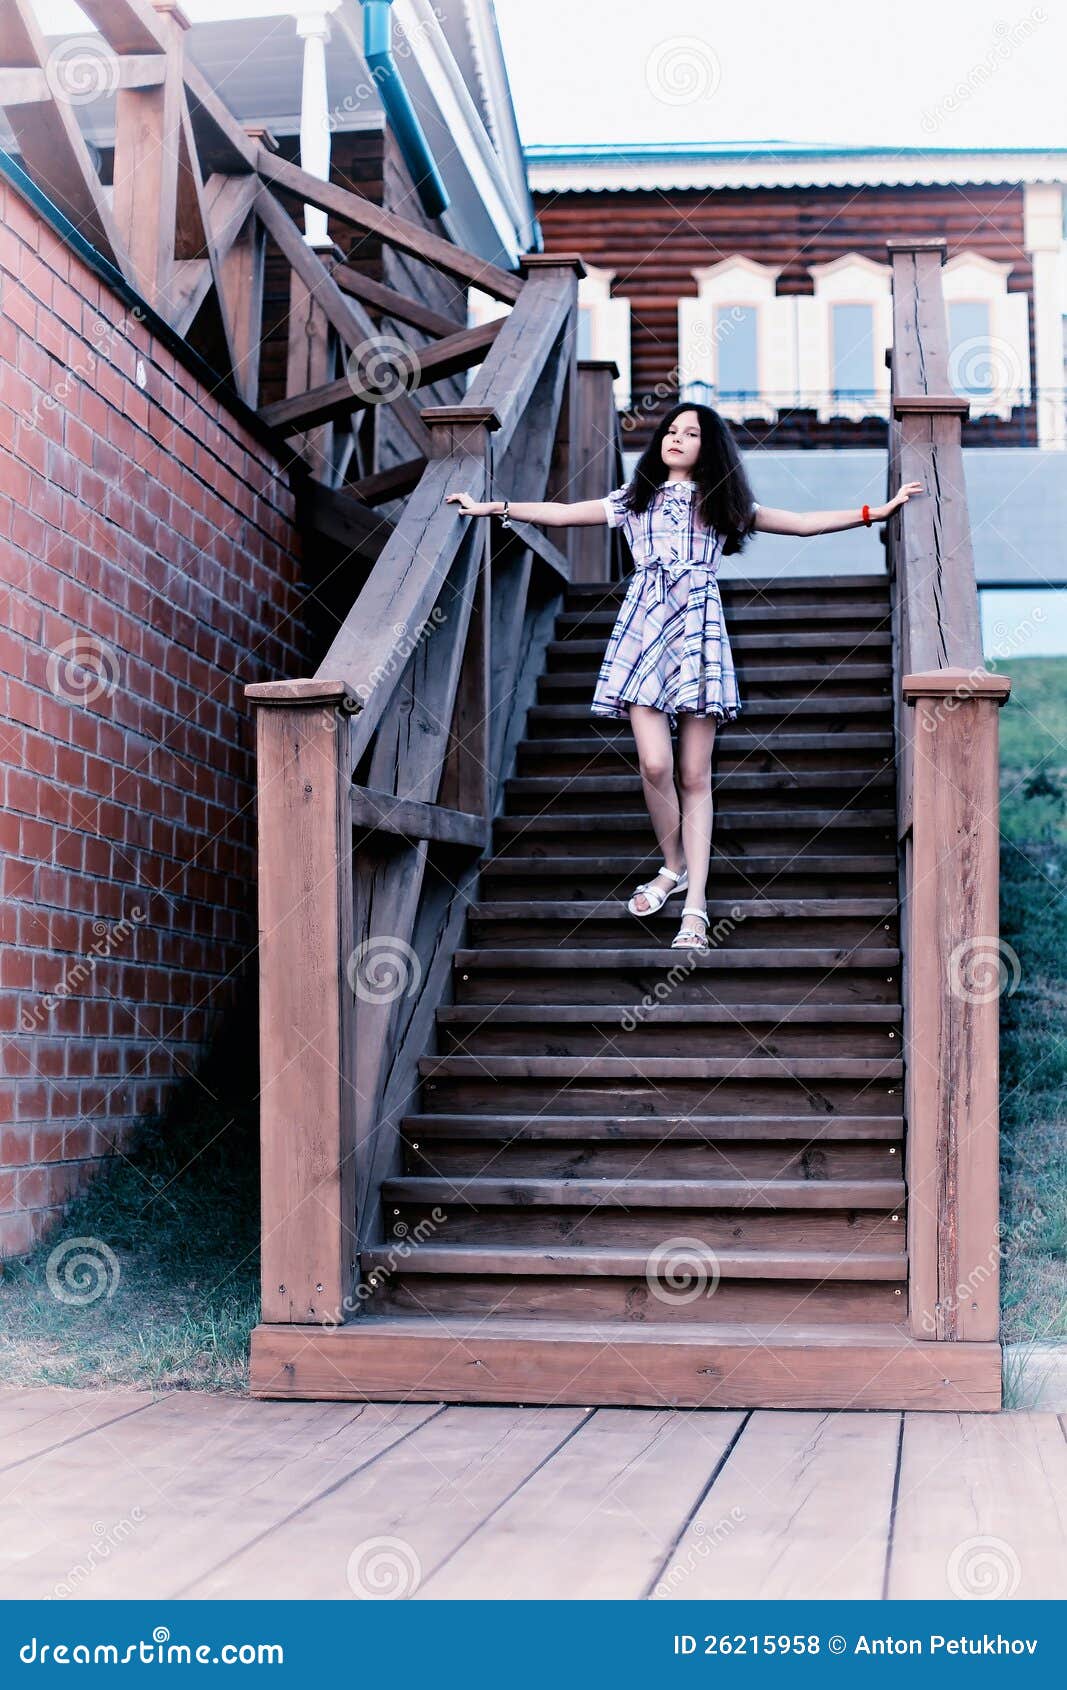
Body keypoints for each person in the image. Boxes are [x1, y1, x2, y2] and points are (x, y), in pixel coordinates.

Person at [445, 401, 922, 950]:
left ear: (708, 446)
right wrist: (492, 507)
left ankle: (695, 906)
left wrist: (875, 512)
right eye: (670, 430)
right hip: (644, 628)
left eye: (690, 433)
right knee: (654, 762)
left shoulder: (724, 503)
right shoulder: (634, 499)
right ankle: (674, 866)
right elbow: (563, 511)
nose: (675, 438)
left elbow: (803, 525)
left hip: (697, 630)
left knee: (695, 773)